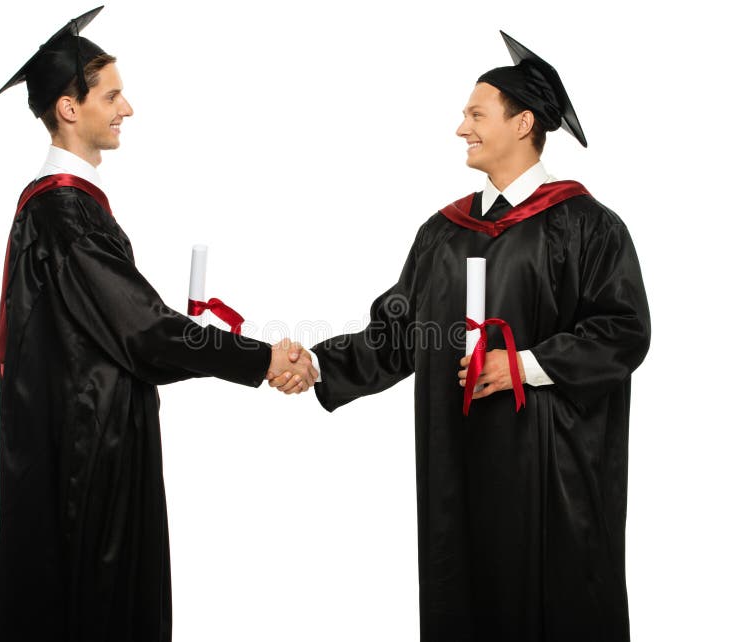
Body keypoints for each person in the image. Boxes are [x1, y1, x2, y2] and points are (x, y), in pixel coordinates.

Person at [271, 31, 650, 642]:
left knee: (554, 603)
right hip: (458, 465)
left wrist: (523, 366)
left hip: (550, 474)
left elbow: (623, 330)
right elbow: (397, 334)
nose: (460, 128)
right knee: (464, 599)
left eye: (476, 114)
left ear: (524, 122)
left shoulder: (587, 226)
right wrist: (313, 362)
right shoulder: (443, 232)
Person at [0, 8, 317, 642]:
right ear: (68, 108)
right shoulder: (64, 212)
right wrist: (262, 359)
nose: (127, 108)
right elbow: (145, 335)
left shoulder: (64, 207)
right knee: (95, 606)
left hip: (83, 441)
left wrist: (206, 350)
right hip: (89, 460)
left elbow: (132, 338)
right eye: (111, 95)